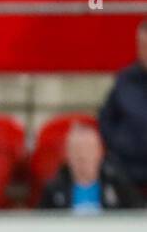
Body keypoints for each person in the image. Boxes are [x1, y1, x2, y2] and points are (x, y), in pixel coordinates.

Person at [40, 123, 144, 212]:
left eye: (88, 150)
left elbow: (138, 216)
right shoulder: (54, 189)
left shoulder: (117, 184)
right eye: (76, 150)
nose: (82, 156)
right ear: (67, 155)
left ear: (100, 153)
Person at [97, 19, 147, 188]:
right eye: (141, 45)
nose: (144, 51)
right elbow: (105, 119)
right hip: (128, 170)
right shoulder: (124, 80)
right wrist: (121, 143)